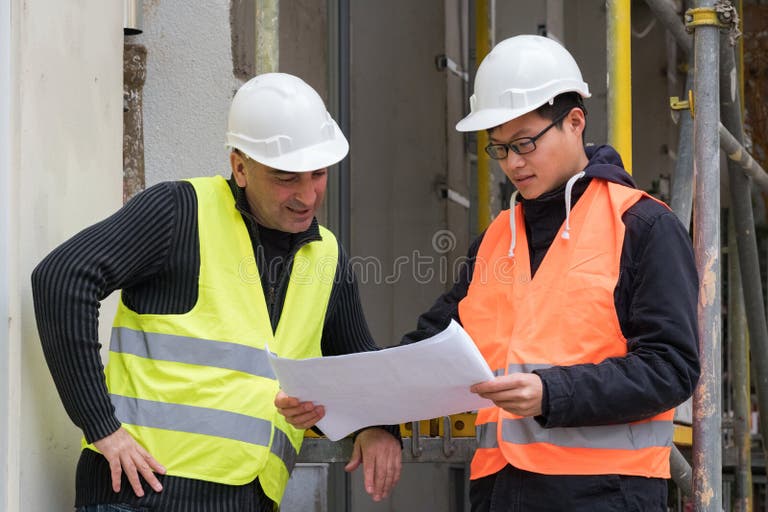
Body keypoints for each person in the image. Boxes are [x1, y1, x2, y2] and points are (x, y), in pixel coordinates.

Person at [279, 35, 701, 511]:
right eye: (499, 149)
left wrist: (551, 392)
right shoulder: (497, 239)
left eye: (525, 144)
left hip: (607, 496)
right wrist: (346, 407)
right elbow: (426, 351)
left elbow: (671, 367)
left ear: (575, 123)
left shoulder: (643, 226)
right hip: (499, 493)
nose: (512, 163)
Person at [32, 72, 401, 512]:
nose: (307, 195)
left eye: (318, 174)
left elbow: (358, 366)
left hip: (248, 501)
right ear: (240, 167)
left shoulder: (328, 256)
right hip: (138, 496)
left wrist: (378, 427)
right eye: (286, 178)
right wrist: (101, 427)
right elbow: (62, 279)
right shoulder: (179, 213)